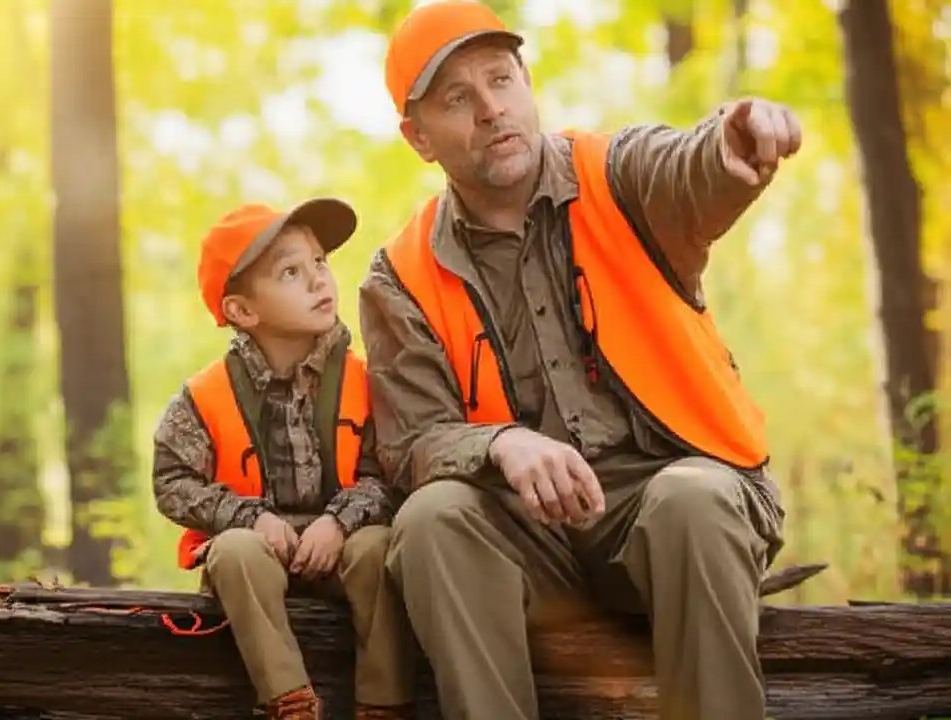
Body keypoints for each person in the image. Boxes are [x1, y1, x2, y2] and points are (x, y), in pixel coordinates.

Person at [358, 2, 799, 719]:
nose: (492, 110)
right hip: (537, 549)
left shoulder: (618, 174)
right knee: (433, 517)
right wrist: (502, 443)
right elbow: (412, 442)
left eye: (501, 79)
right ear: (419, 139)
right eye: (457, 100)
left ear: (527, 82)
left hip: (678, 511)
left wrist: (730, 147)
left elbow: (689, 171)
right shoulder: (397, 276)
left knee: (690, 500)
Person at [152, 198, 415, 720]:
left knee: (379, 546)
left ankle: (385, 703)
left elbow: (388, 472)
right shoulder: (204, 395)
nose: (320, 281)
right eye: (291, 272)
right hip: (260, 550)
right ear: (243, 311)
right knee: (233, 553)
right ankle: (289, 701)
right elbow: (171, 481)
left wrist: (338, 523)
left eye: (320, 262)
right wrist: (252, 517)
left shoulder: (368, 380)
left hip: (341, 544)